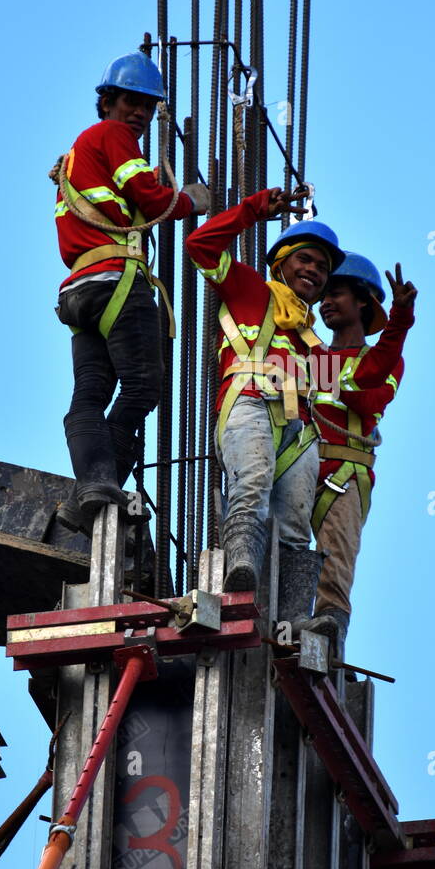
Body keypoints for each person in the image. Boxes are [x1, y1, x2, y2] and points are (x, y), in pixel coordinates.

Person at [53, 52, 209, 532]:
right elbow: (147, 194)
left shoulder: (78, 154)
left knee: (91, 393)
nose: (139, 113)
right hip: (116, 279)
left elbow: (120, 205)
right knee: (142, 386)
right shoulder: (114, 137)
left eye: (147, 105)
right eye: (130, 101)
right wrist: (189, 201)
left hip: (80, 290)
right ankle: (102, 483)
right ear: (108, 102)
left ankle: (93, 487)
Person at [186, 188, 345, 597]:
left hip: (301, 435)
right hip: (251, 405)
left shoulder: (316, 343)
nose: (313, 270)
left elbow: (330, 418)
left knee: (295, 525)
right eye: (304, 259)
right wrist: (255, 210)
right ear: (280, 264)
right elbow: (199, 245)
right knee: (251, 488)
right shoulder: (249, 289)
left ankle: (289, 613)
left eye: (322, 267)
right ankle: (241, 570)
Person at [311, 255, 417, 655]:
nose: (325, 302)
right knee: (281, 549)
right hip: (299, 467)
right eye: (322, 296)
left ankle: (329, 633)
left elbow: (369, 399)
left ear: (364, 304)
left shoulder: (383, 361)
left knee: (335, 558)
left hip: (345, 473)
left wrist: (400, 318)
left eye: (335, 294)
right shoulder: (311, 355)